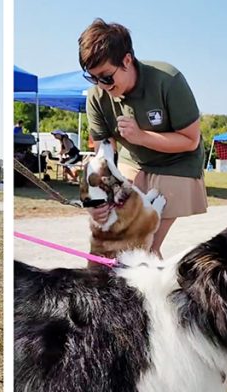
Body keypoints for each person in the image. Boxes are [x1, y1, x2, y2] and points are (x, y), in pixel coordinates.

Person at [80, 18, 207, 257]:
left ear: (127, 60)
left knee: (144, 244)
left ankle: (147, 292)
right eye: (92, 78)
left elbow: (190, 140)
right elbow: (102, 156)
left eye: (106, 76)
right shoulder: (96, 96)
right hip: (134, 161)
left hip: (178, 163)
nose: (101, 85)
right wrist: (98, 203)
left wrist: (141, 136)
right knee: (113, 240)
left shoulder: (167, 80)